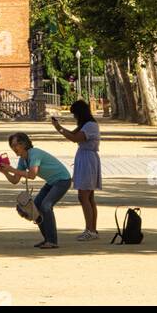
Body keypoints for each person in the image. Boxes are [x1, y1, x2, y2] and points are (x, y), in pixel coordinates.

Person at [0, 131, 72, 250]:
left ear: (25, 144)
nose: (14, 148)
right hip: (52, 182)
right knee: (36, 207)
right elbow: (15, 180)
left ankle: (52, 240)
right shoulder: (23, 159)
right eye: (12, 146)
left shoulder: (34, 153)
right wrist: (5, 171)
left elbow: (32, 175)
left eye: (17, 145)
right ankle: (47, 239)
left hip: (62, 180)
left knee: (46, 206)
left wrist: (11, 168)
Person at [51, 100, 102, 240]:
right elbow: (72, 134)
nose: (74, 117)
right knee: (89, 197)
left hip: (87, 159)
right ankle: (92, 229)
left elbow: (74, 138)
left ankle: (90, 230)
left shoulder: (90, 125)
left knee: (84, 196)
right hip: (84, 158)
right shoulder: (85, 125)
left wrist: (59, 128)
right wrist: (59, 127)